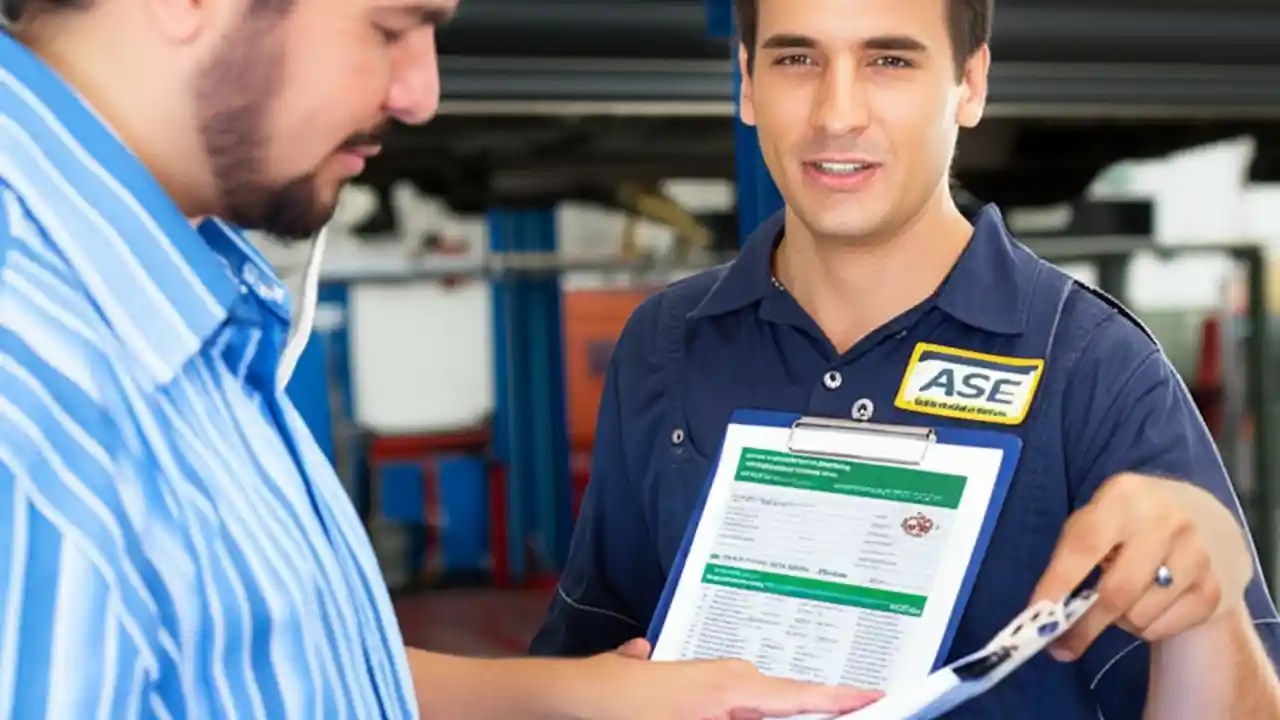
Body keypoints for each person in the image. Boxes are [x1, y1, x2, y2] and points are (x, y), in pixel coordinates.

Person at [0, 0, 888, 718]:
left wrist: (577, 700)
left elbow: (275, 677)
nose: (422, 92)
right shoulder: (32, 395)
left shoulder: (162, 313)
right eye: (389, 28)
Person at [531, 0, 1280, 716]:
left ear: (971, 84)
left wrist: (1208, 618)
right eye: (797, 58)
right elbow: (586, 659)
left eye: (889, 59)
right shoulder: (668, 343)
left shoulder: (1094, 372)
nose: (837, 113)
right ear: (747, 83)